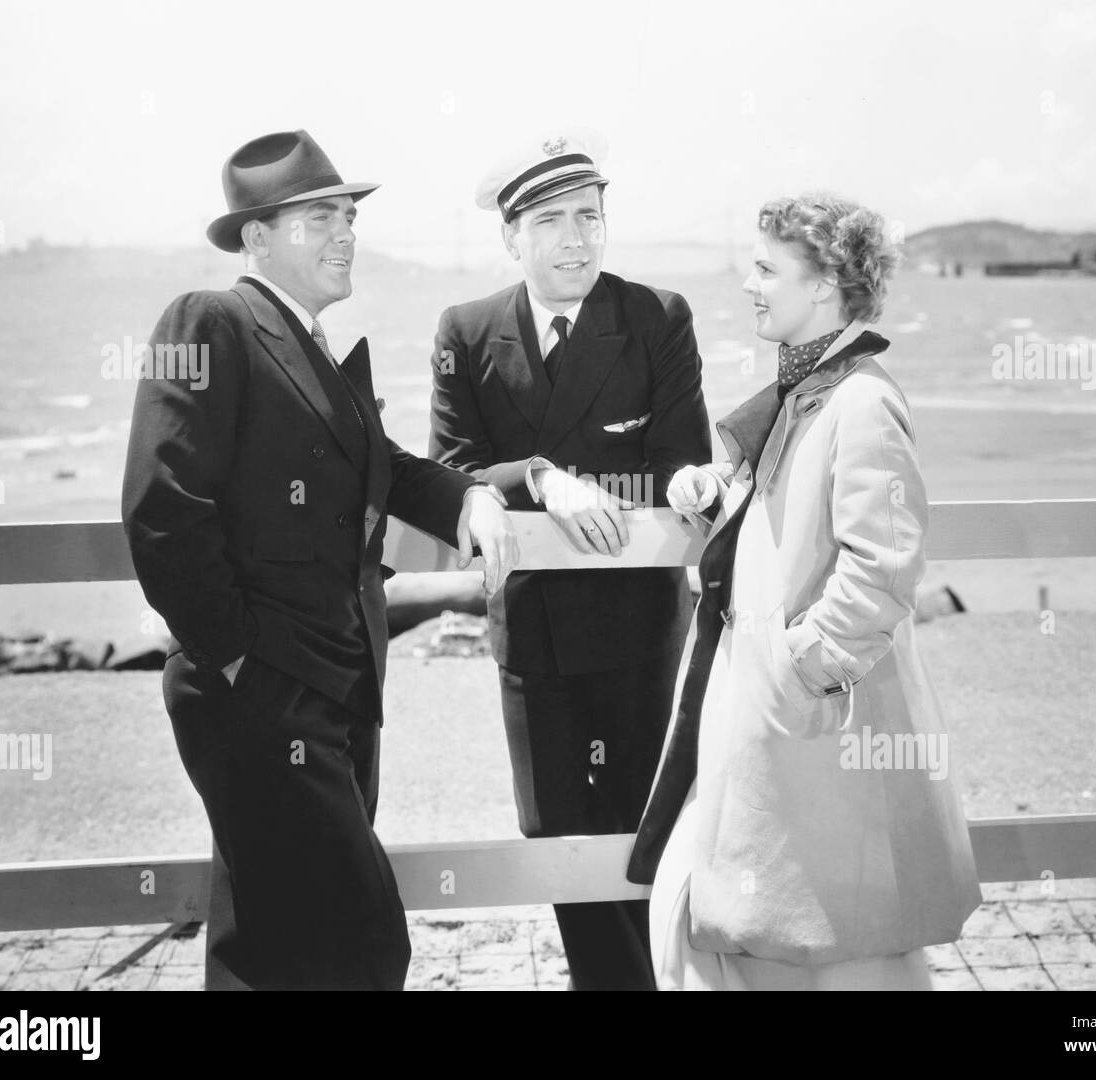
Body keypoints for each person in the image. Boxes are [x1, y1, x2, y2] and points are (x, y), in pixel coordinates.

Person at [122, 129, 519, 991]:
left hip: (337, 690)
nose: (345, 233)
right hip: (263, 697)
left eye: (347, 215)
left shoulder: (311, 345)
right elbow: (162, 509)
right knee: (363, 941)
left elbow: (385, 465)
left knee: (261, 943)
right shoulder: (212, 321)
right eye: (318, 218)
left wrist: (470, 500)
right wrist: (242, 667)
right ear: (257, 238)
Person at [627, 193, 982, 990]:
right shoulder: (809, 388)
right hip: (778, 719)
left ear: (823, 285)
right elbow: (783, 513)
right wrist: (708, 490)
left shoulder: (862, 398)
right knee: (758, 923)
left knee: (837, 939)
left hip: (813, 719)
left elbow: (884, 565)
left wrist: (802, 670)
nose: (747, 283)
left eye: (765, 268)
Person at [427, 130, 711, 989]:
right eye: (550, 221)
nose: (576, 238)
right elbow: (447, 473)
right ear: (510, 237)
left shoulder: (656, 317)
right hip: (534, 633)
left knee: (637, 828)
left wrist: (692, 485)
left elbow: (678, 462)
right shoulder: (468, 331)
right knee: (553, 833)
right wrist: (544, 479)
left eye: (589, 215)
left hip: (637, 629)